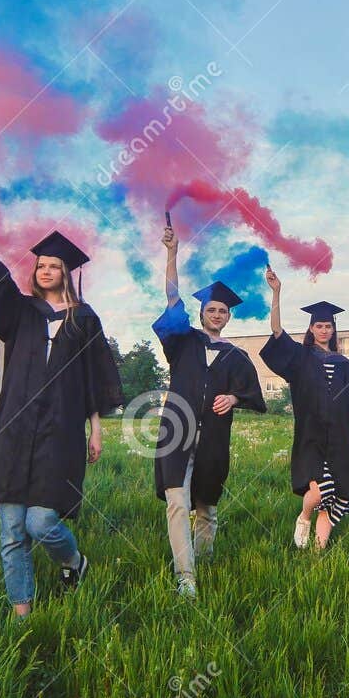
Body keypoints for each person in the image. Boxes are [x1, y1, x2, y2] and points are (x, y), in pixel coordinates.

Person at [0, 200, 124, 614]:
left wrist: (96, 427)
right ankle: (23, 613)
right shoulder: (22, 313)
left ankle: (73, 562)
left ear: (67, 273)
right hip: (14, 429)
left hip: (61, 431)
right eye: (41, 266)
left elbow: (93, 376)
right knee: (12, 530)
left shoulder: (84, 320)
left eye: (54, 265)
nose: (46, 270)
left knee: (41, 522)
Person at [151, 224, 267, 597]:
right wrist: (172, 254)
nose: (216, 314)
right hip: (177, 433)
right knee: (177, 502)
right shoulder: (182, 342)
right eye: (210, 309)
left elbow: (252, 393)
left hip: (215, 439)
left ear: (228, 317)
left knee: (207, 508)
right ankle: (186, 577)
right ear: (201, 313)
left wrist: (233, 398)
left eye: (222, 311)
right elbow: (172, 300)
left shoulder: (236, 356)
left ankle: (206, 560)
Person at [259, 267, 349, 550]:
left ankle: (318, 552)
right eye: (319, 326)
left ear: (333, 329)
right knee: (316, 494)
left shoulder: (344, 364)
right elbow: (277, 332)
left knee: (334, 495)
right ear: (311, 328)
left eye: (328, 326)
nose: (324, 330)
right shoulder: (301, 357)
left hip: (338, 438)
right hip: (310, 436)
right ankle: (303, 517)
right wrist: (277, 292)